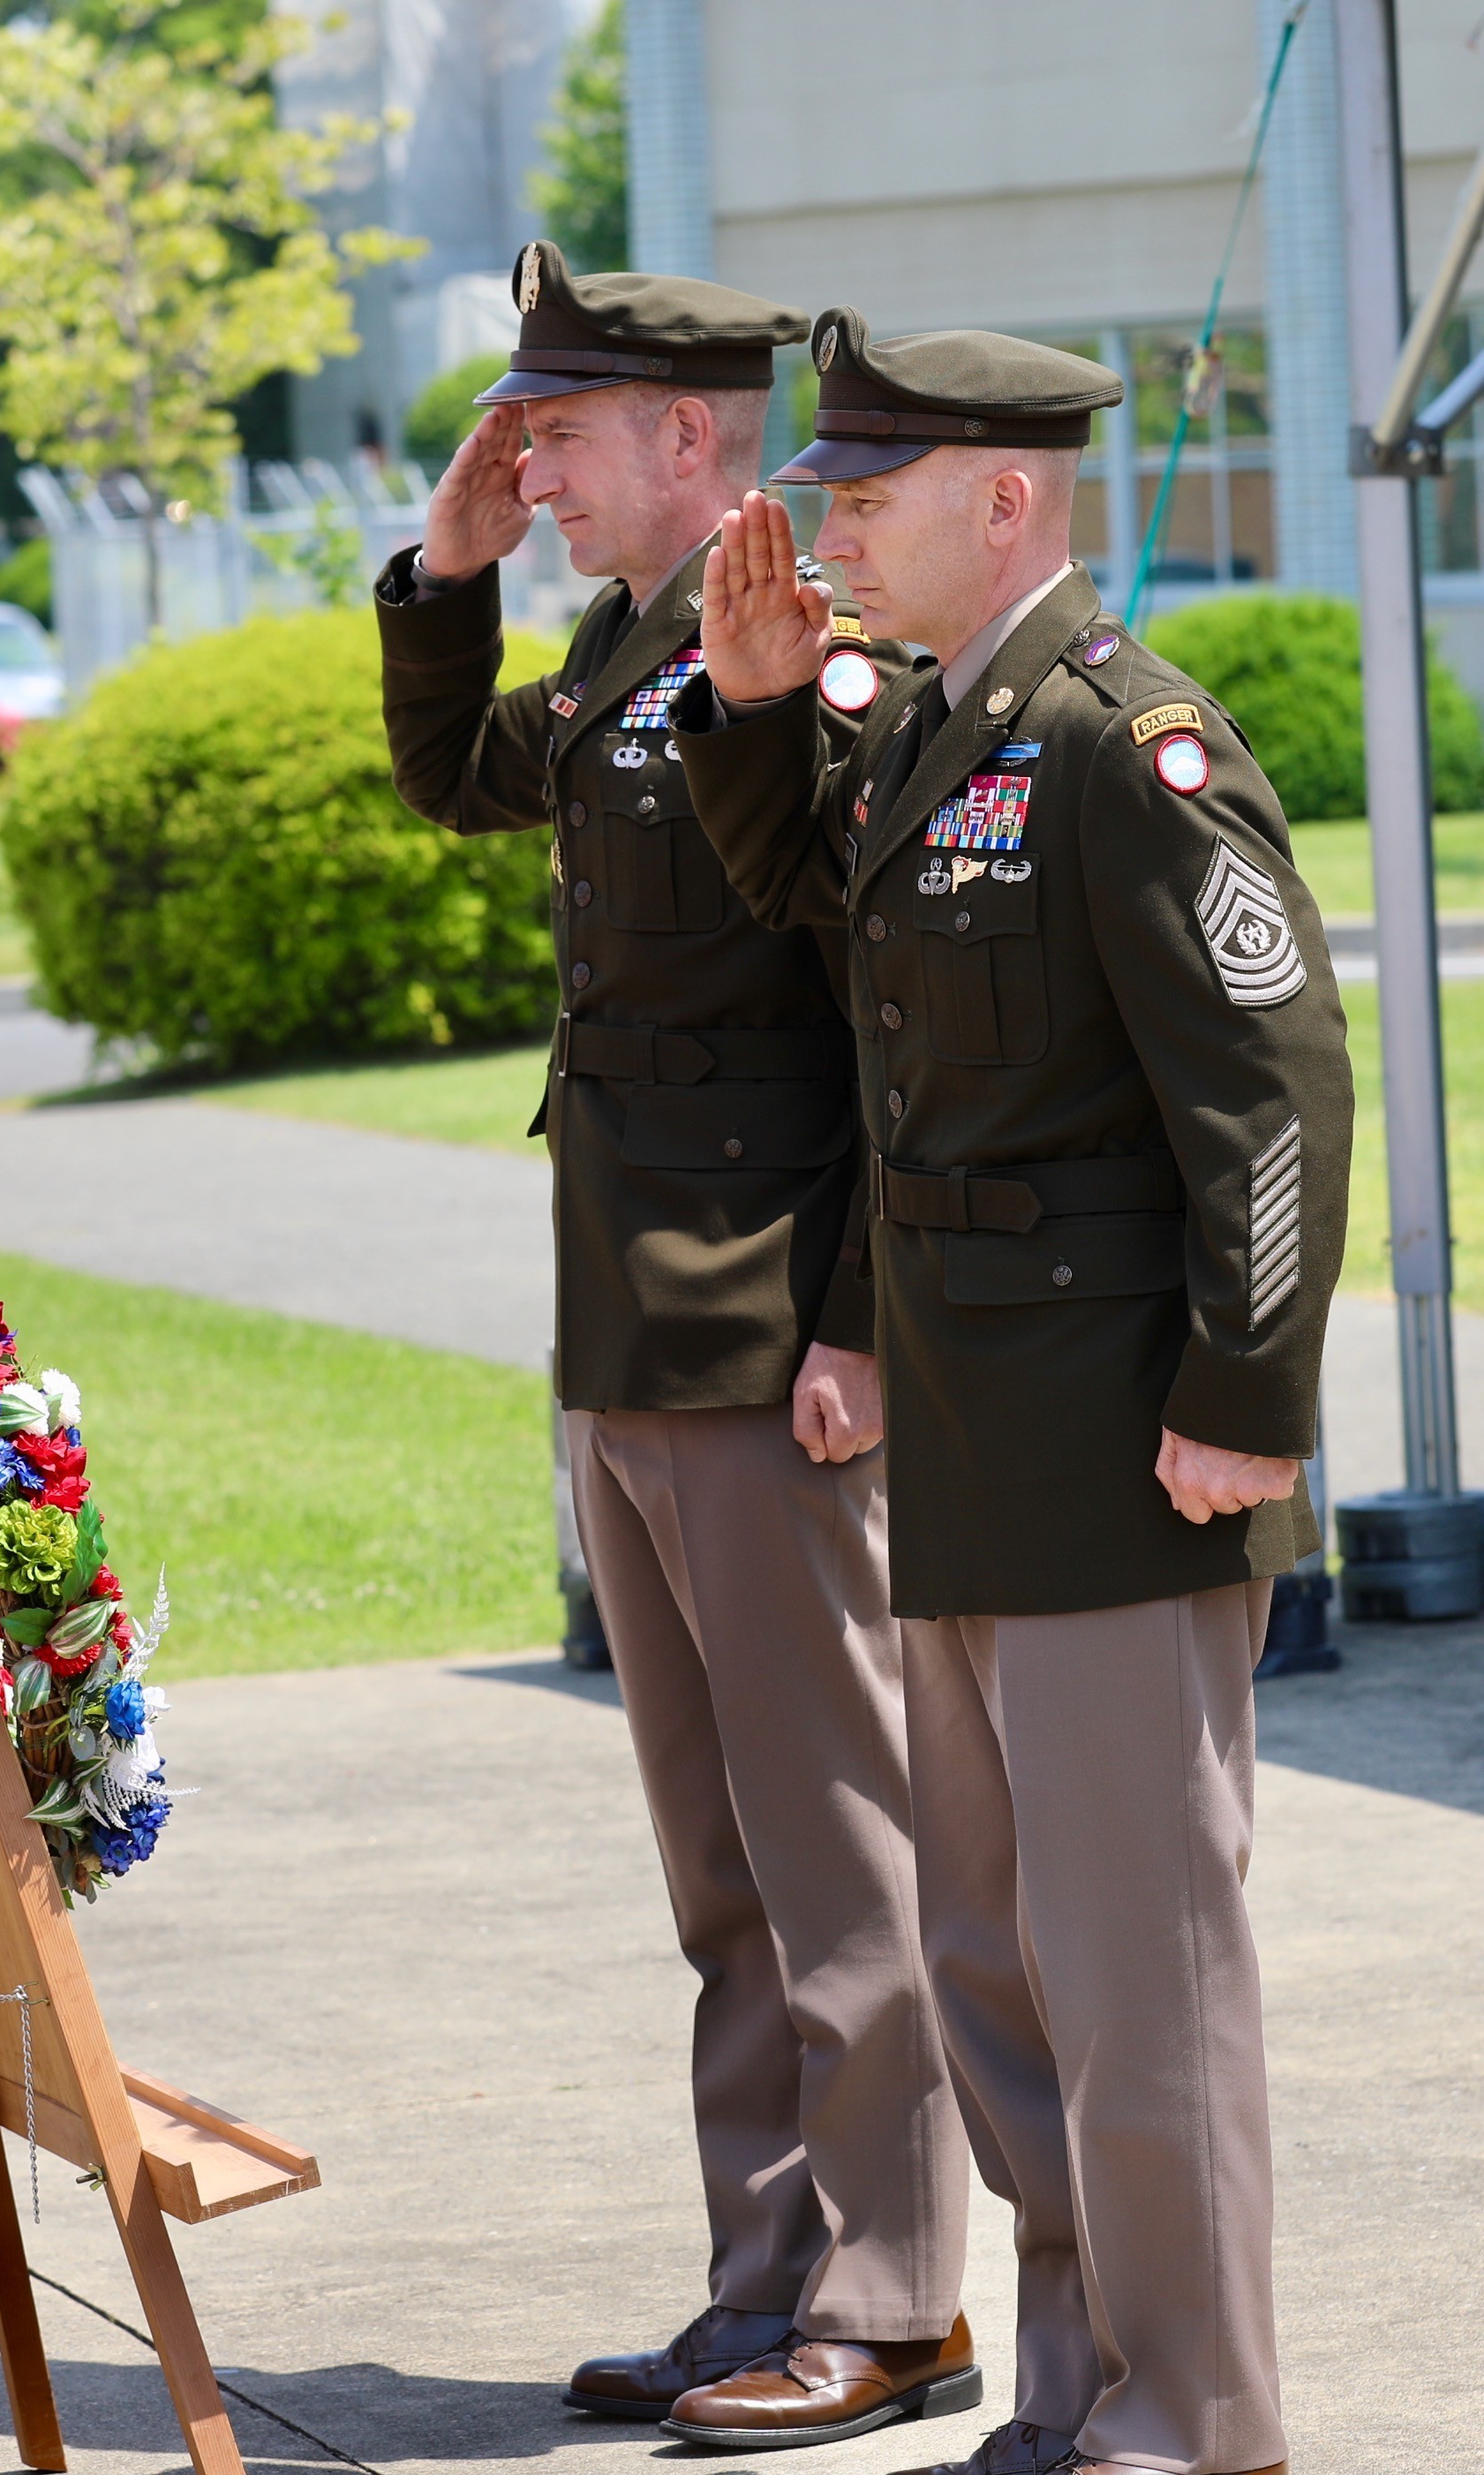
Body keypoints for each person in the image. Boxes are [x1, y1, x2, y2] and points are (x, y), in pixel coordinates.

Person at [673, 307, 1352, 2475]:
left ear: (1004, 497)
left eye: (863, 497)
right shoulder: (928, 736)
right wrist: (762, 718)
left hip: (1119, 1455)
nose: (823, 529)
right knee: (999, 1970)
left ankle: (1198, 2419)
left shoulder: (1118, 743)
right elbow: (814, 928)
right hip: (968, 1448)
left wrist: (1245, 1390)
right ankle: (1075, 2395)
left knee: (1134, 1980)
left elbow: (1269, 1100)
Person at [374, 243, 976, 2452]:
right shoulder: (630, 648)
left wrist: (853, 1333)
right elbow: (462, 780)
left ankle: (898, 2300)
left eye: (552, 429)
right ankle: (768, 2288)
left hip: (762, 1344)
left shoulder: (790, 689)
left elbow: (883, 1028)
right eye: (518, 427)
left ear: (684, 442)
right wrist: (438, 579)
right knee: (720, 1871)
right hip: (631, 1331)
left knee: (837, 1854)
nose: (519, 458)